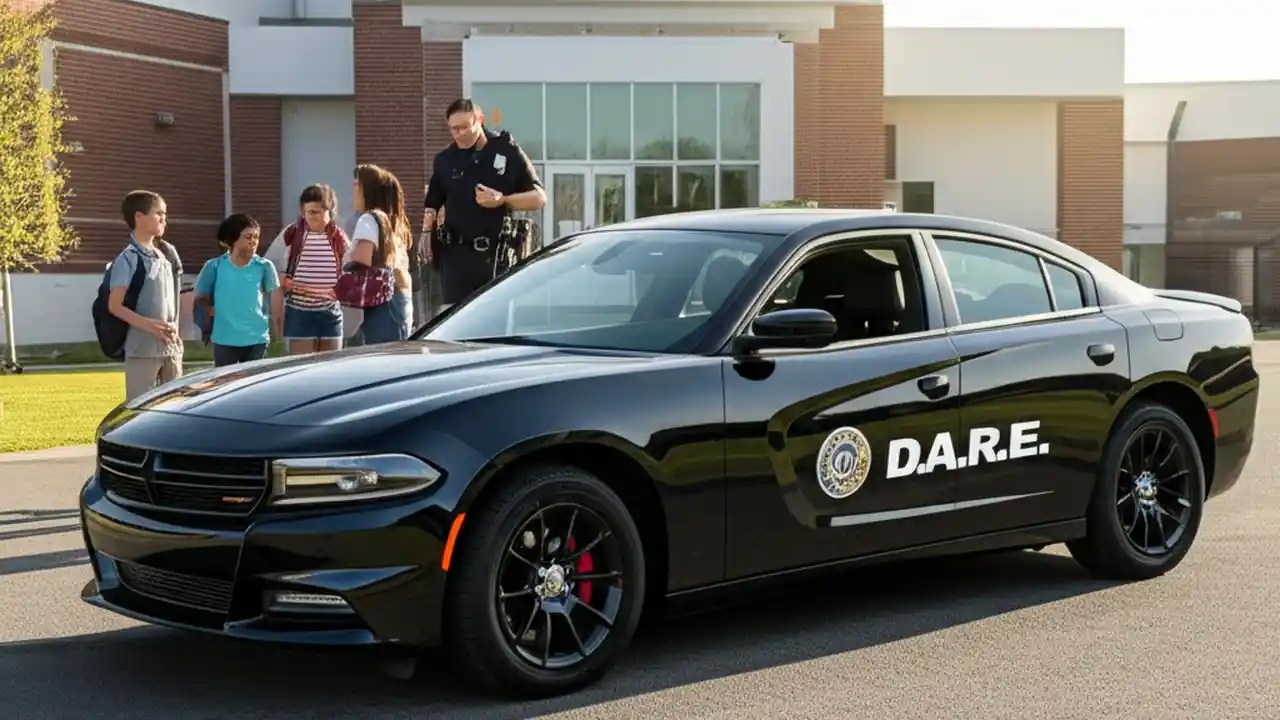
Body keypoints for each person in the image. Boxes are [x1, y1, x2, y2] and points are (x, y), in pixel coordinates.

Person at [422, 98, 546, 310]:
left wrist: (503, 200)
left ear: (479, 120)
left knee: (491, 319)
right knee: (454, 321)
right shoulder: (446, 159)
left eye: (465, 127)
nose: (459, 134)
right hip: (456, 258)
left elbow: (539, 197)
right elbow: (433, 200)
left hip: (495, 257)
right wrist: (425, 232)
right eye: (453, 129)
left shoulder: (506, 150)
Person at [108, 190, 184, 401]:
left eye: (165, 214)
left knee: (174, 406)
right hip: (142, 350)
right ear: (139, 217)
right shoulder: (128, 259)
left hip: (171, 349)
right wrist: (151, 325)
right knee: (141, 409)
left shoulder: (166, 254)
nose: (163, 219)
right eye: (158, 213)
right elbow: (114, 306)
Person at [192, 214, 282, 367]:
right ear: (232, 240)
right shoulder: (214, 267)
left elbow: (273, 301)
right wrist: (205, 326)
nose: (253, 242)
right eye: (248, 237)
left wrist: (277, 331)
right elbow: (200, 299)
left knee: (253, 386)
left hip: (256, 338)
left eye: (256, 237)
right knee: (226, 386)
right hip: (224, 339)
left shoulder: (264, 266)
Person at [278, 184, 350, 355]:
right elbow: (273, 270)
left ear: (329, 210)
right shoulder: (292, 235)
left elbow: (350, 272)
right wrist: (286, 282)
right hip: (299, 314)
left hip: (330, 314)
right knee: (301, 369)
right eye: (307, 212)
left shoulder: (339, 238)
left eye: (316, 212)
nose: (311, 217)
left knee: (329, 369)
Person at [349, 163, 413, 343]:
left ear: (367, 190)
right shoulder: (392, 222)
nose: (353, 188)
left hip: (380, 307)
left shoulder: (368, 219)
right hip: (400, 302)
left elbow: (361, 262)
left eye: (357, 184)